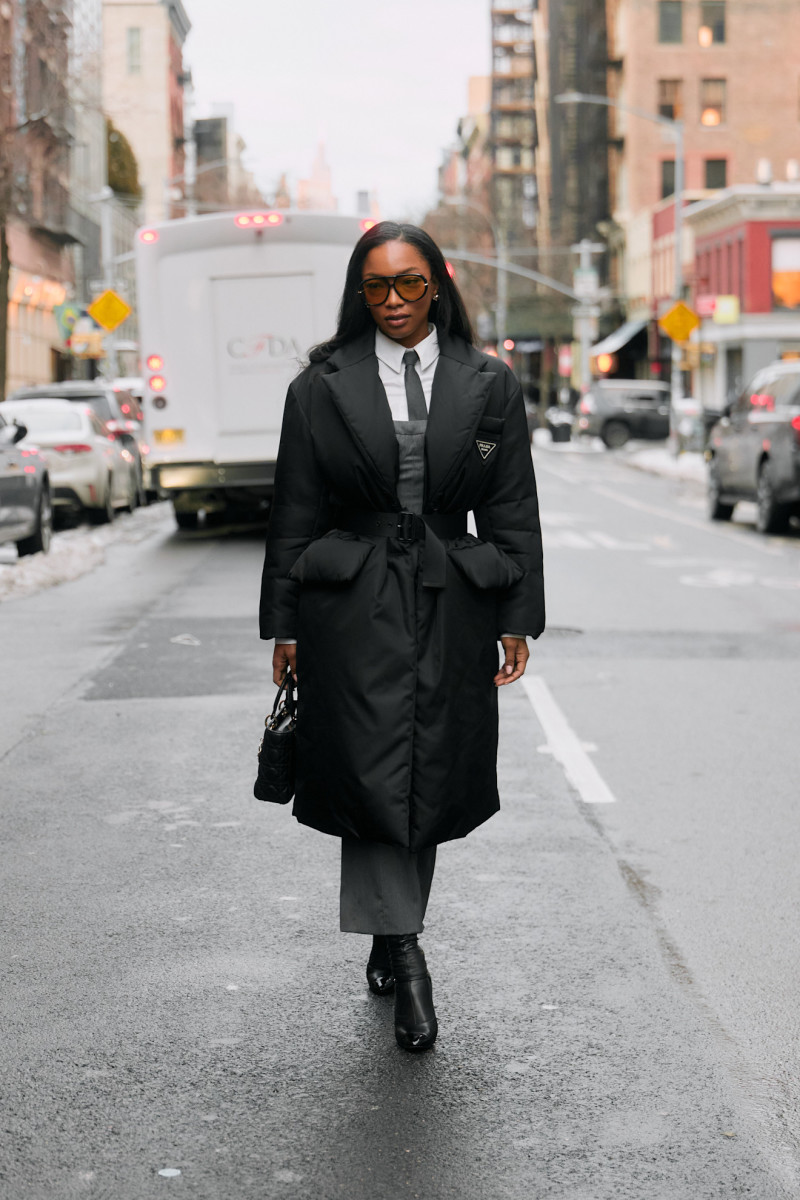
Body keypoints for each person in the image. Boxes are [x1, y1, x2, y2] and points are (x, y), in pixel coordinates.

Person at [259, 221, 545, 1052]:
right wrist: (284, 625)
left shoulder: (489, 384)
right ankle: (410, 953)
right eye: (376, 287)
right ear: (359, 292)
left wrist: (517, 614)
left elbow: (511, 506)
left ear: (438, 286)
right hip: (349, 605)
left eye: (410, 284)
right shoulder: (319, 385)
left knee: (429, 763)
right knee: (373, 763)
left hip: (453, 599)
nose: (393, 302)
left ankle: (392, 928)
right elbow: (294, 512)